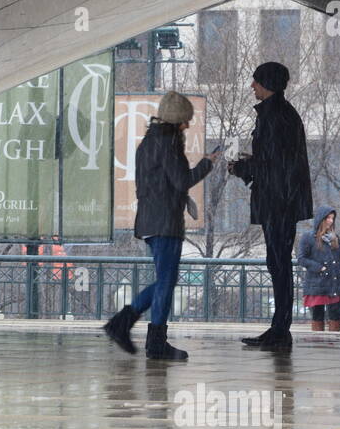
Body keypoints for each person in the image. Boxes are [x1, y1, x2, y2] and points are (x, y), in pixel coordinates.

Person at [103, 91, 219, 359]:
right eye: (185, 121)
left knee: (165, 280)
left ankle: (127, 325)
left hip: (150, 219)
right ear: (176, 121)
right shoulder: (168, 143)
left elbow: (160, 184)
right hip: (165, 221)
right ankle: (147, 336)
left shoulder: (149, 142)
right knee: (166, 281)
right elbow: (181, 180)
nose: (188, 126)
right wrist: (207, 164)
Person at [227, 62, 313, 351]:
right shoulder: (280, 114)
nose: (252, 86)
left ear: (267, 83)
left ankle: (280, 331)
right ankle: (278, 328)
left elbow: (271, 163)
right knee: (277, 263)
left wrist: (240, 167)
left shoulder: (275, 116)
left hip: (279, 201)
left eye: (255, 82)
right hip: (281, 200)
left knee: (279, 263)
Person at [298, 206, 340, 332]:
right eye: (328, 218)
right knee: (317, 315)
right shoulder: (308, 237)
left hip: (334, 283)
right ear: (321, 219)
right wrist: (319, 267)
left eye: (332, 218)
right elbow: (301, 258)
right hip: (317, 283)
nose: (331, 221)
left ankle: (334, 345)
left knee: (335, 315)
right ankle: (318, 345)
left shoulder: (334, 237)